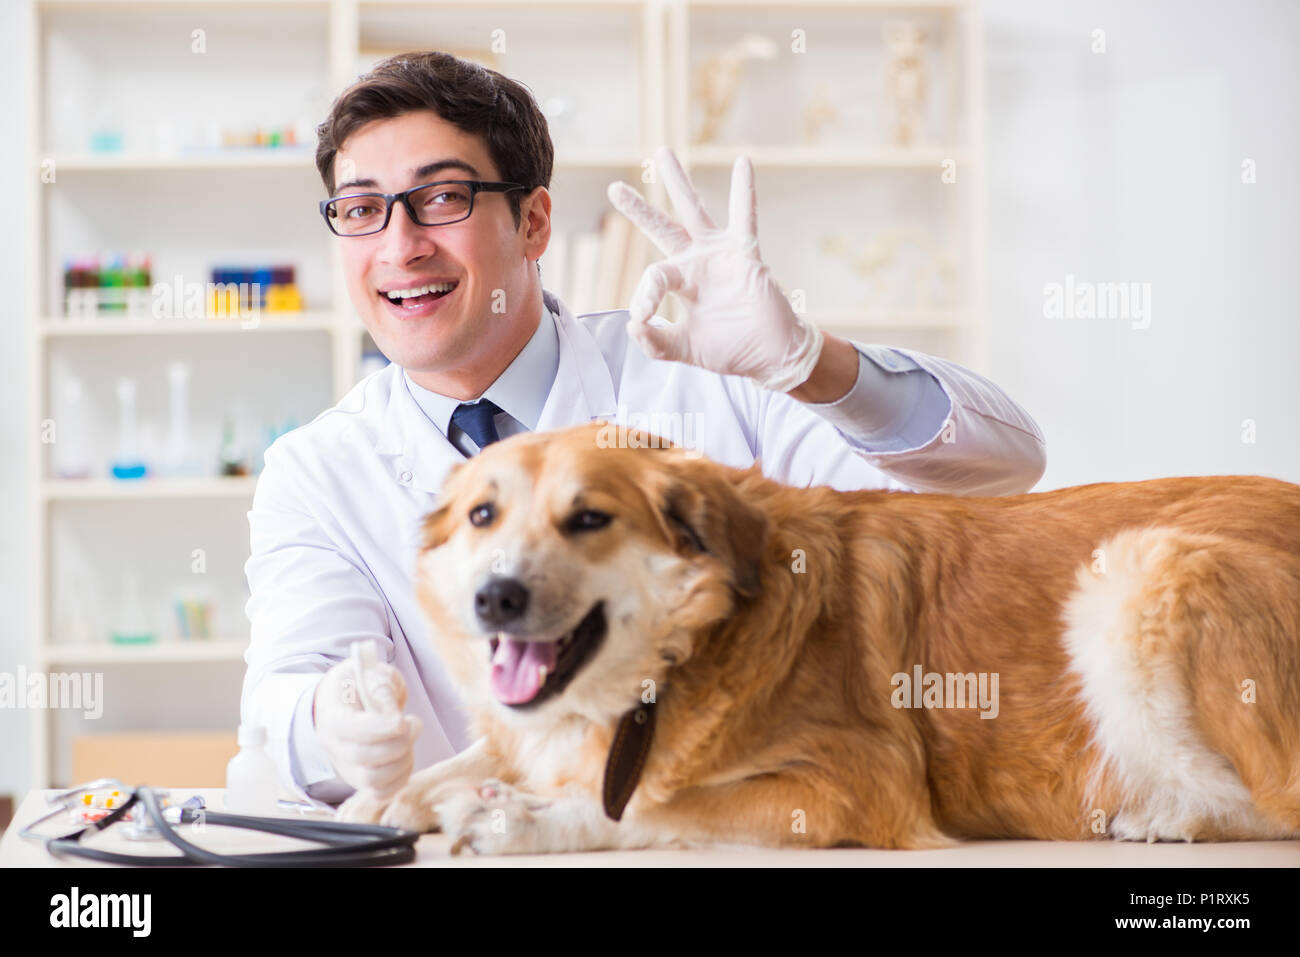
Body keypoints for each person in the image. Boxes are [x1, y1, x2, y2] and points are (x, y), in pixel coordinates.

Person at [240, 51, 1047, 806]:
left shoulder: (706, 371)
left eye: (443, 198)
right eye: (360, 209)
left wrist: (809, 364)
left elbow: (1004, 468)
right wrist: (330, 721)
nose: (401, 246)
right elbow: (282, 706)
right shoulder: (316, 471)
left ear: (534, 223)